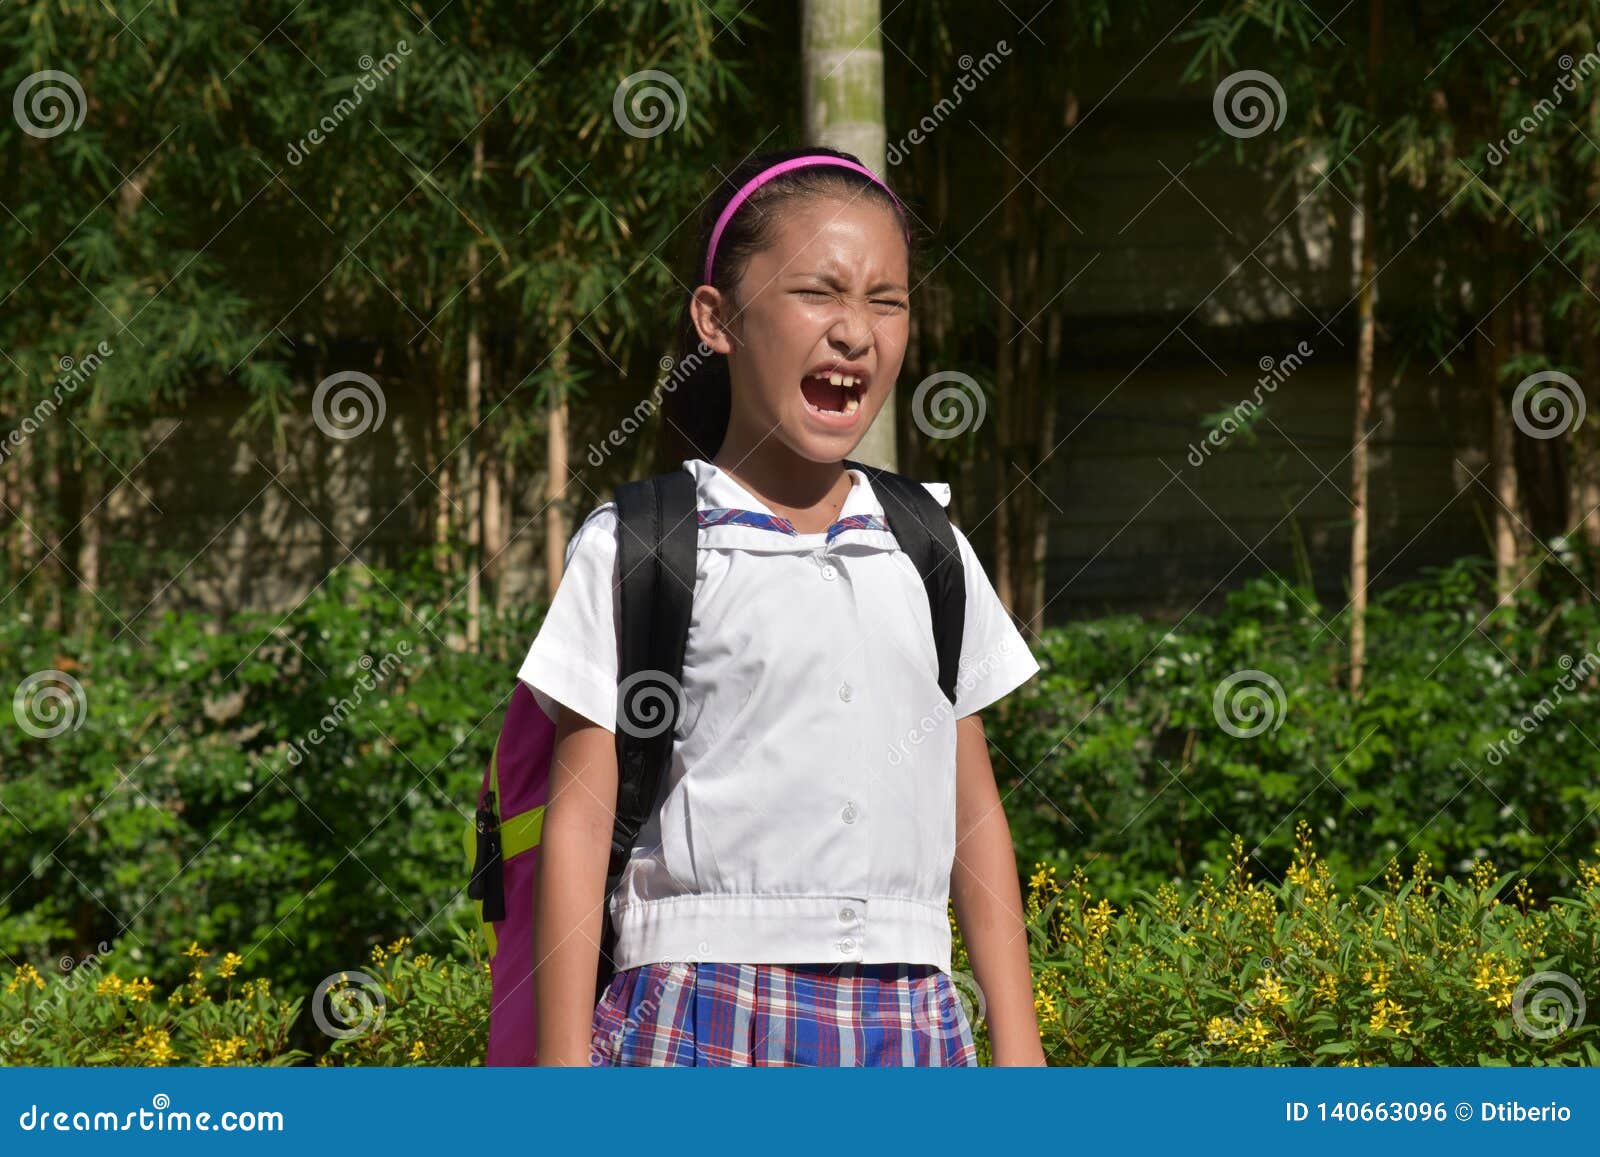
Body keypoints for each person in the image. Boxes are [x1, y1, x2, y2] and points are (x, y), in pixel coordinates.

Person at [522, 146, 1045, 1066]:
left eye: (887, 300)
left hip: (915, 1021)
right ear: (715, 319)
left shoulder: (928, 544)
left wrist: (1021, 1051)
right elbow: (577, 822)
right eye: (820, 292)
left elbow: (974, 811)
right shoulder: (639, 545)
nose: (857, 331)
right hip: (695, 1011)